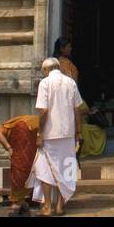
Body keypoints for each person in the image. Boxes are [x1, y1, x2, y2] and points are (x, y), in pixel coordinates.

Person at [28, 57, 83, 216]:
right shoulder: (71, 82)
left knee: (44, 168)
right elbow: (77, 110)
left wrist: (40, 133)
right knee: (65, 169)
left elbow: (43, 111)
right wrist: (78, 132)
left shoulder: (45, 83)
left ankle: (47, 206)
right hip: (67, 133)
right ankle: (60, 205)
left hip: (50, 134)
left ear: (46, 70)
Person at [52, 37, 107, 157]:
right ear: (62, 49)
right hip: (70, 99)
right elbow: (70, 82)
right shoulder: (64, 64)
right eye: (68, 47)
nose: (70, 49)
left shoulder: (59, 63)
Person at [0, 114, 40, 215]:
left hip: (25, 146)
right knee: (31, 167)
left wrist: (8, 147)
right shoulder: (27, 121)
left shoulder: (9, 125)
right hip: (32, 145)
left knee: (20, 168)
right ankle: (24, 199)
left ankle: (17, 201)